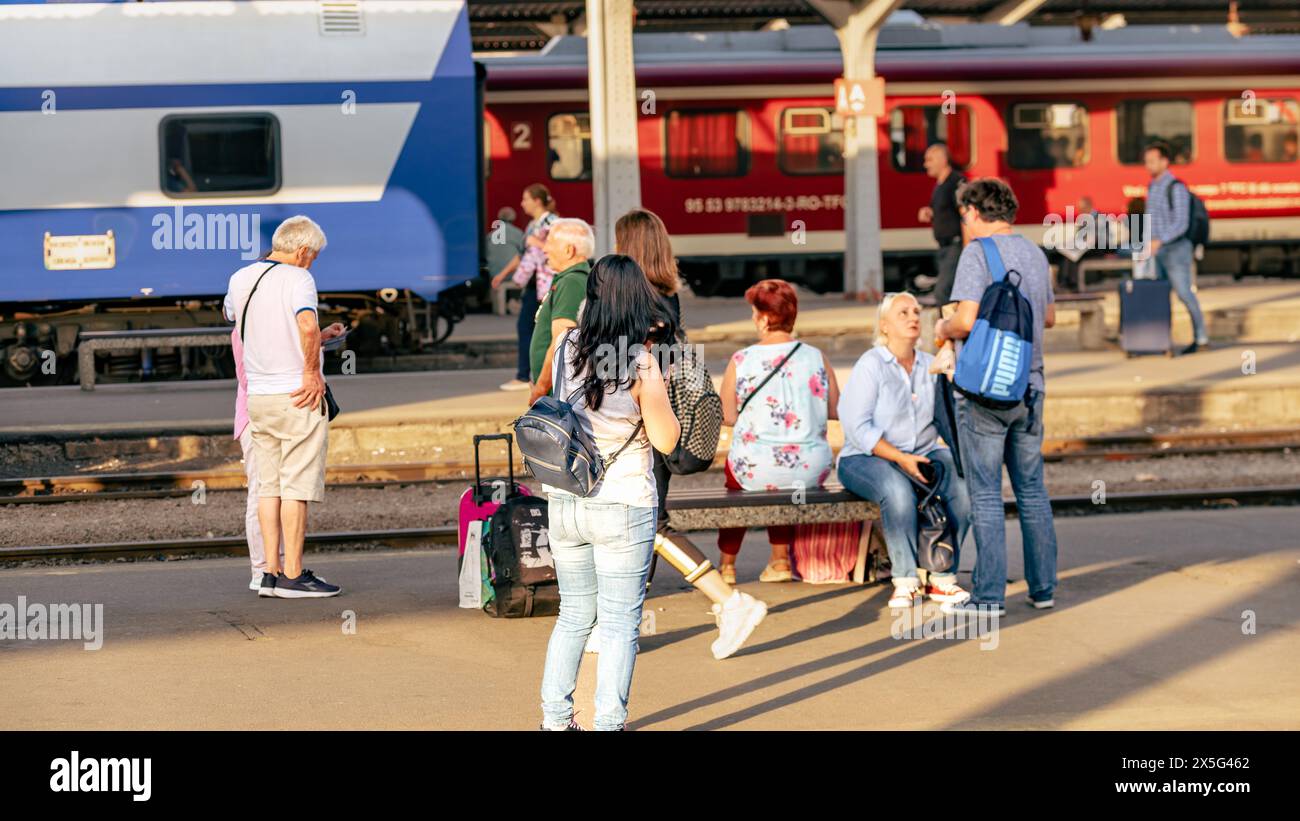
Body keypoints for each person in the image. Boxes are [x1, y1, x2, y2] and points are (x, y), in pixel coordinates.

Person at [615, 208, 767, 660]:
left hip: (647, 427)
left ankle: (730, 601)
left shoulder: (641, 305)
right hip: (662, 422)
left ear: (630, 248)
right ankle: (627, 622)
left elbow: (632, 365)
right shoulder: (666, 296)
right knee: (644, 520)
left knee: (648, 522)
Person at [538, 254, 681, 732]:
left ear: (593, 296)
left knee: (573, 616)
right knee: (618, 625)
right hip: (622, 504)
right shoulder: (640, 361)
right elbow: (666, 440)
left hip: (566, 501)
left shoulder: (565, 346)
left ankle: (556, 722)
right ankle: (608, 723)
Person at [936, 178, 1059, 616]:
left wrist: (942, 327)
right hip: (1031, 386)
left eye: (963, 215)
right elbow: (1048, 317)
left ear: (972, 212)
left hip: (987, 392)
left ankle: (989, 598)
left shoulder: (976, 253)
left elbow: (966, 320)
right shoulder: (1035, 253)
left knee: (987, 494)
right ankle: (1043, 589)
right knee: (1031, 490)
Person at [223, 215, 341, 599]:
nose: (313, 263)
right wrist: (312, 374)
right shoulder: (299, 279)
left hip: (258, 398)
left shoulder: (241, 279)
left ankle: (269, 574)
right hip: (296, 396)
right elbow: (304, 326)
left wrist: (319, 339)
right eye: (314, 256)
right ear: (304, 250)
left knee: (268, 487)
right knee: (297, 488)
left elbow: (254, 327)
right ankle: (293, 574)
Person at [836, 292, 971, 608]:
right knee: (897, 492)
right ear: (884, 326)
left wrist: (952, 367)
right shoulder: (872, 364)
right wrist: (900, 459)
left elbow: (948, 417)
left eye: (916, 311)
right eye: (903, 313)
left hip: (922, 450)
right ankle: (906, 579)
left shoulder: (930, 364)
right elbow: (855, 425)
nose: (913, 317)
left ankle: (941, 576)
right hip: (865, 456)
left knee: (964, 489)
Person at [717, 279, 838, 584]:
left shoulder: (742, 359)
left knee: (739, 477)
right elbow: (835, 409)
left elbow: (728, 416)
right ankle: (780, 560)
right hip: (810, 469)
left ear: (765, 318)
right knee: (785, 474)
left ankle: (727, 566)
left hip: (755, 471)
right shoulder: (816, 357)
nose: (753, 319)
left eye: (754, 313)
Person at [1144, 141, 1209, 355]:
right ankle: (1164, 342)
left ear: (1165, 161)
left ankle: (1201, 338)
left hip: (1176, 249)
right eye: (1147, 162)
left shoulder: (1176, 187)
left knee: (1184, 293)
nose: (1149, 165)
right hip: (1158, 250)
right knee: (1161, 297)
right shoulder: (1152, 187)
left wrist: (1159, 240)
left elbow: (1180, 223)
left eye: (1153, 161)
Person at [492, 184, 557, 391]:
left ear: (537, 201)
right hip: (532, 285)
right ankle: (528, 375)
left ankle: (527, 376)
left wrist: (536, 243)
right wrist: (502, 275)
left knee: (537, 329)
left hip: (545, 284)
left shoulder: (553, 223)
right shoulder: (531, 225)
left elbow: (558, 249)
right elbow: (521, 254)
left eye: (525, 199)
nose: (522, 203)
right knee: (529, 328)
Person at [528, 219, 593, 404]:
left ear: (569, 250)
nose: (544, 249)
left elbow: (560, 341)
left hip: (556, 394)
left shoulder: (570, 283)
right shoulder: (570, 280)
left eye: (550, 242)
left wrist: (540, 389)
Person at [914, 143, 965, 304]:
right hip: (944, 247)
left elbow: (965, 213)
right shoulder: (939, 186)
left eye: (929, 160)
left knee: (943, 291)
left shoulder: (956, 182)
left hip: (956, 245)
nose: (925, 164)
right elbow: (947, 210)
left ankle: (948, 326)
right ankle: (950, 325)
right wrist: (930, 212)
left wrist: (968, 244)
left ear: (943, 160)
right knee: (949, 292)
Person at [484, 206, 524, 290]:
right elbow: (525, 254)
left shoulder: (490, 236)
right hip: (512, 275)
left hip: (493, 275)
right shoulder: (518, 234)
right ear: (513, 218)